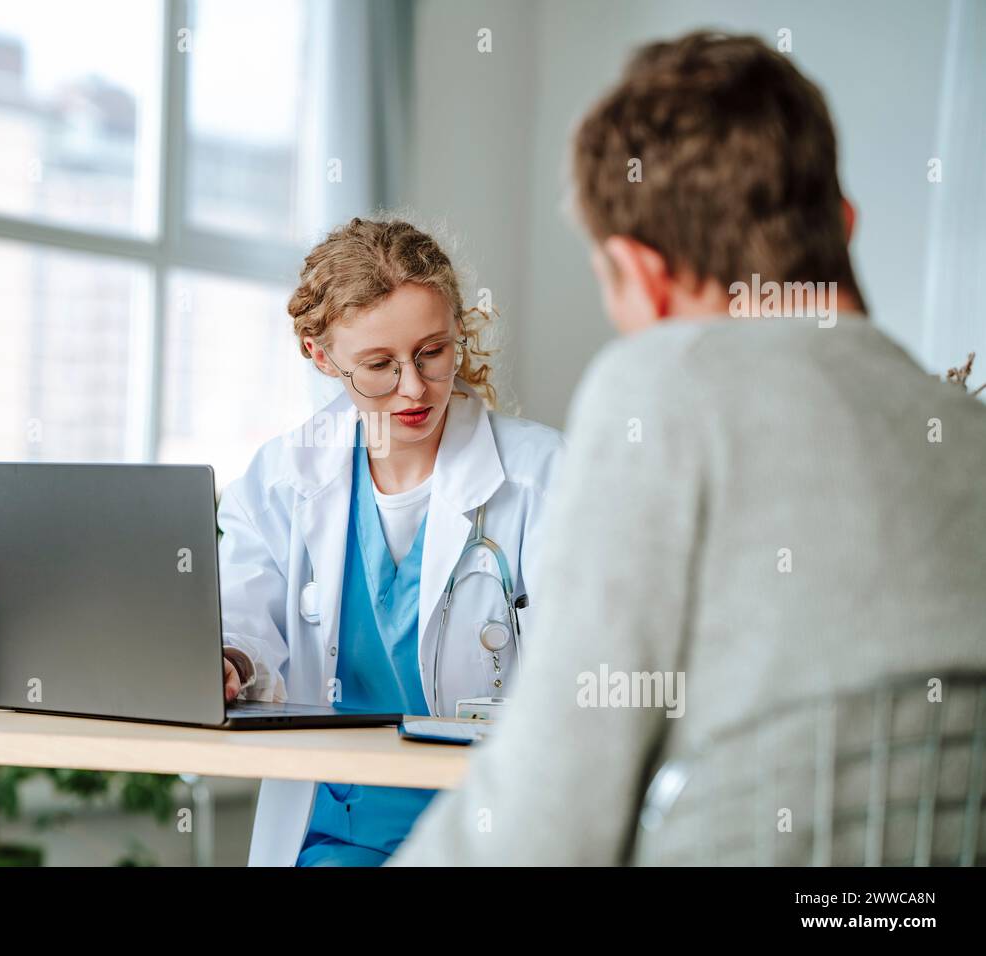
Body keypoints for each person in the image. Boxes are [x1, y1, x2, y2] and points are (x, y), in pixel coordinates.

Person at [389, 31, 986, 866]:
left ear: (643, 274)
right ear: (843, 227)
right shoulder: (965, 431)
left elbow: (540, 822)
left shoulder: (665, 386)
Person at [215, 217, 565, 866]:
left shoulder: (543, 478)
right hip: (327, 836)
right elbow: (243, 615)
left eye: (432, 352)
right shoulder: (281, 479)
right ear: (322, 357)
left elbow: (575, 673)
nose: (413, 387)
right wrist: (232, 660)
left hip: (481, 834)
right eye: (379, 365)